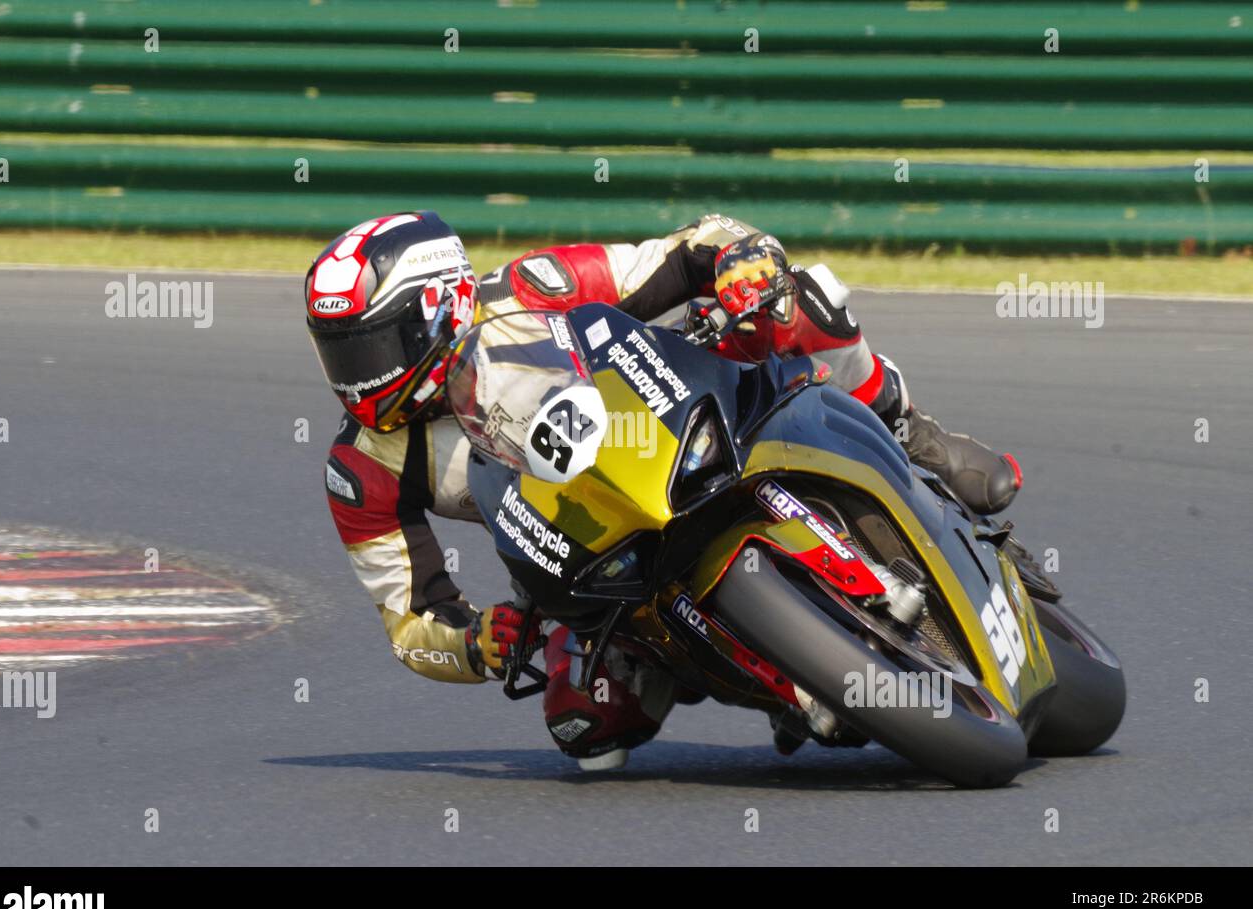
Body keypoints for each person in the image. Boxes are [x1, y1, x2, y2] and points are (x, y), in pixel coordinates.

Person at [307, 210, 1022, 768]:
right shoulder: (362, 465)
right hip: (575, 550)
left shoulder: (530, 288)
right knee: (583, 723)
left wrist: (738, 261)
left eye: (370, 348)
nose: (356, 377)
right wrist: (477, 645)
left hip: (674, 424)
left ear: (437, 305)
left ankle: (906, 425)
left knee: (797, 298)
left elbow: (682, 252)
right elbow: (409, 622)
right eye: (339, 353)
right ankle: (780, 671)